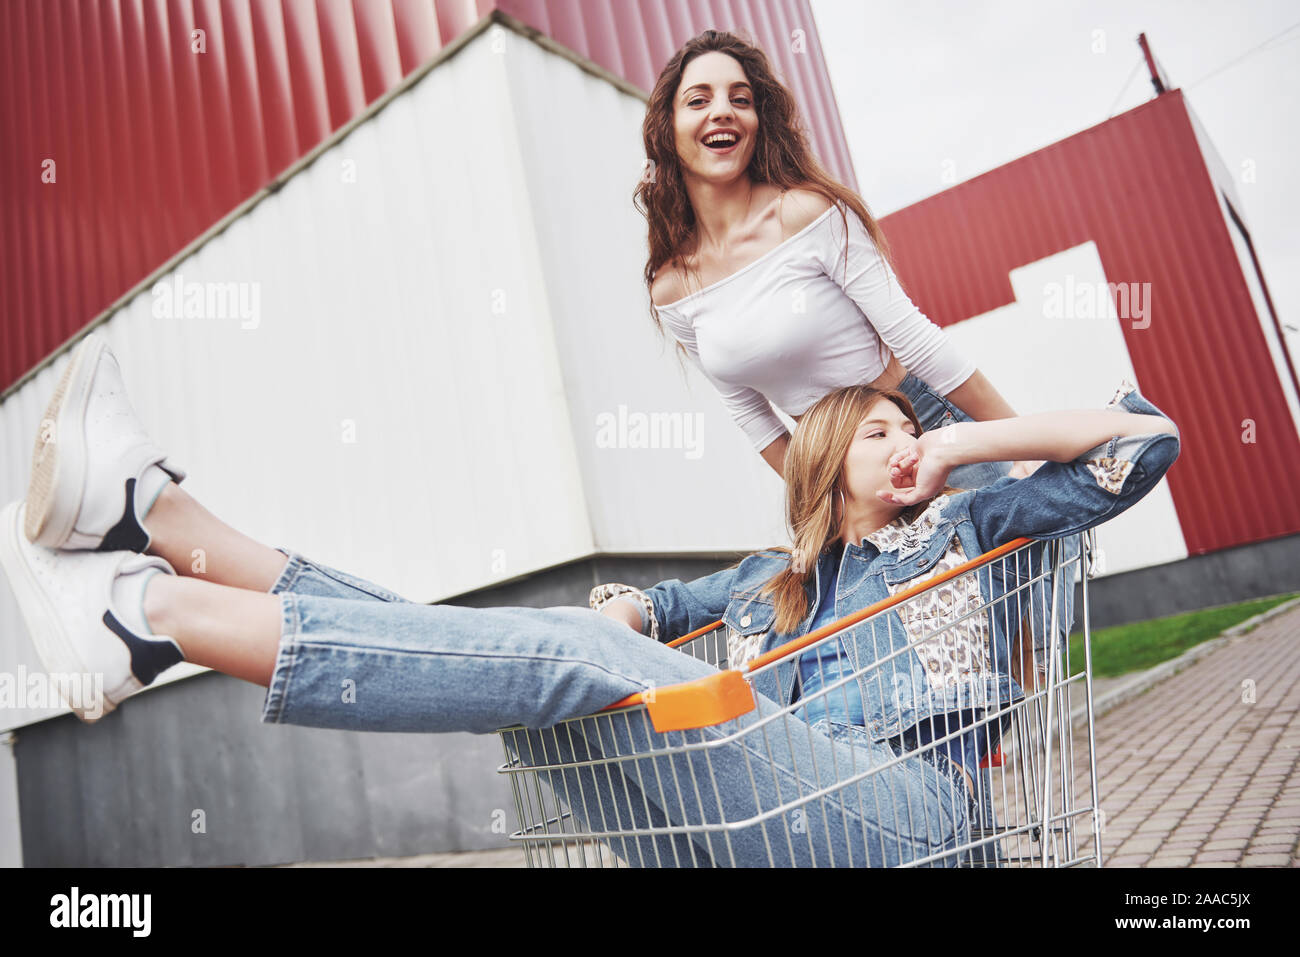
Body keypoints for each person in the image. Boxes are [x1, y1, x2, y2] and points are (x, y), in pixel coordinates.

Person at [0, 333, 1179, 867]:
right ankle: (164, 543)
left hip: (916, 828)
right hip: (755, 826)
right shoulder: (761, 590)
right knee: (532, 665)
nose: (903, 444)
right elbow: (639, 615)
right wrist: (616, 617)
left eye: (909, 432)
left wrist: (970, 442)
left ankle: (157, 597)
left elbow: (1144, 445)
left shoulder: (964, 529)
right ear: (824, 463)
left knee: (561, 659)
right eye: (878, 431)